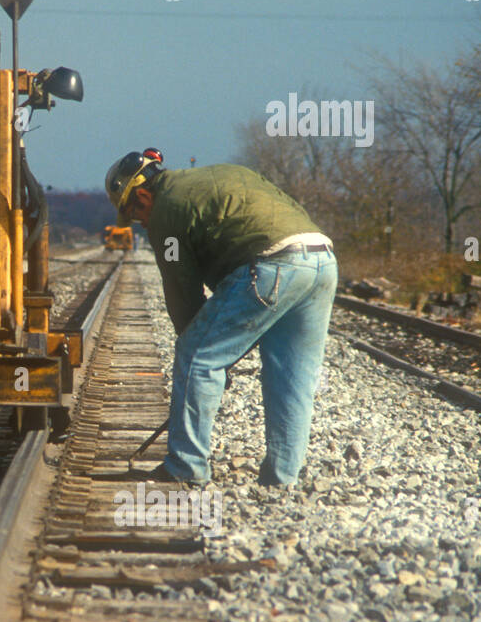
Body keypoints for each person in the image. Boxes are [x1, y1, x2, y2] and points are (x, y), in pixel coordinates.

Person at [104, 149, 337, 487]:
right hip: (322, 261)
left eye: (136, 215)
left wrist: (204, 348)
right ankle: (282, 478)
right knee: (294, 374)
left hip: (274, 267)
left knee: (197, 356)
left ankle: (185, 467)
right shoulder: (223, 174)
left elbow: (181, 288)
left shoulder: (166, 212)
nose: (141, 225)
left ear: (142, 195)